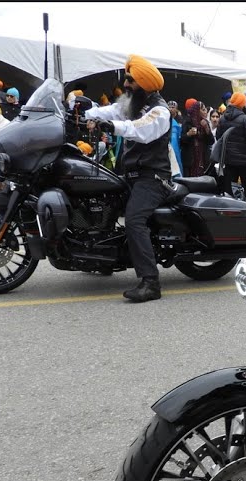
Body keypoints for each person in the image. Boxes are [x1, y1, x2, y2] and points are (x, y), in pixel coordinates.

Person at [83, 54, 174, 303]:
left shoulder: (159, 111)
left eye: (131, 81)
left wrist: (113, 127)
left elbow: (140, 130)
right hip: (131, 174)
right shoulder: (132, 104)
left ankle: (150, 282)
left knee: (134, 220)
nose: (126, 85)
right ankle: (101, 259)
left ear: (144, 83)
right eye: (127, 80)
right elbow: (109, 110)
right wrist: (82, 111)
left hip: (153, 177)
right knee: (99, 202)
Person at [217, 91, 246, 204]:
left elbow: (219, 138)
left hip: (229, 161)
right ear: (242, 104)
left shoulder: (222, 119)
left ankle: (231, 211)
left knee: (230, 189)